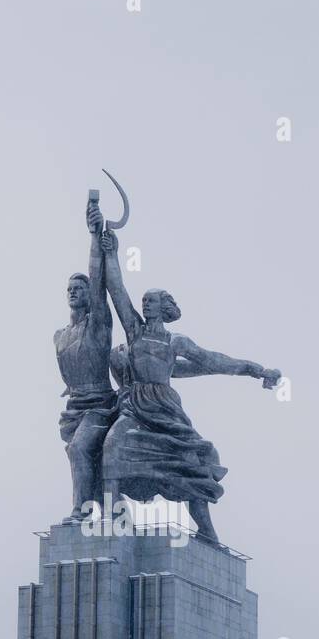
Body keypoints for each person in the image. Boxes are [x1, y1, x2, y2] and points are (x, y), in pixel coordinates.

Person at [99, 228, 280, 542]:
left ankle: (207, 530)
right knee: (112, 449)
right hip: (135, 407)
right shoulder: (135, 331)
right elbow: (117, 291)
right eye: (144, 301)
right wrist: (111, 253)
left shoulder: (174, 341)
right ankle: (115, 523)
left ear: (164, 307)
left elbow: (212, 360)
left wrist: (255, 369)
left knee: (190, 462)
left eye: (151, 301)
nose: (145, 305)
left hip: (165, 410)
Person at [54, 200, 117, 520]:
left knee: (80, 448)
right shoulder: (60, 336)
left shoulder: (98, 326)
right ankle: (103, 509)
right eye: (69, 288)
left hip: (100, 405)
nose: (73, 292)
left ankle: (80, 510)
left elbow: (98, 278)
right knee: (77, 452)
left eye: (80, 288)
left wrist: (94, 237)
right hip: (75, 407)